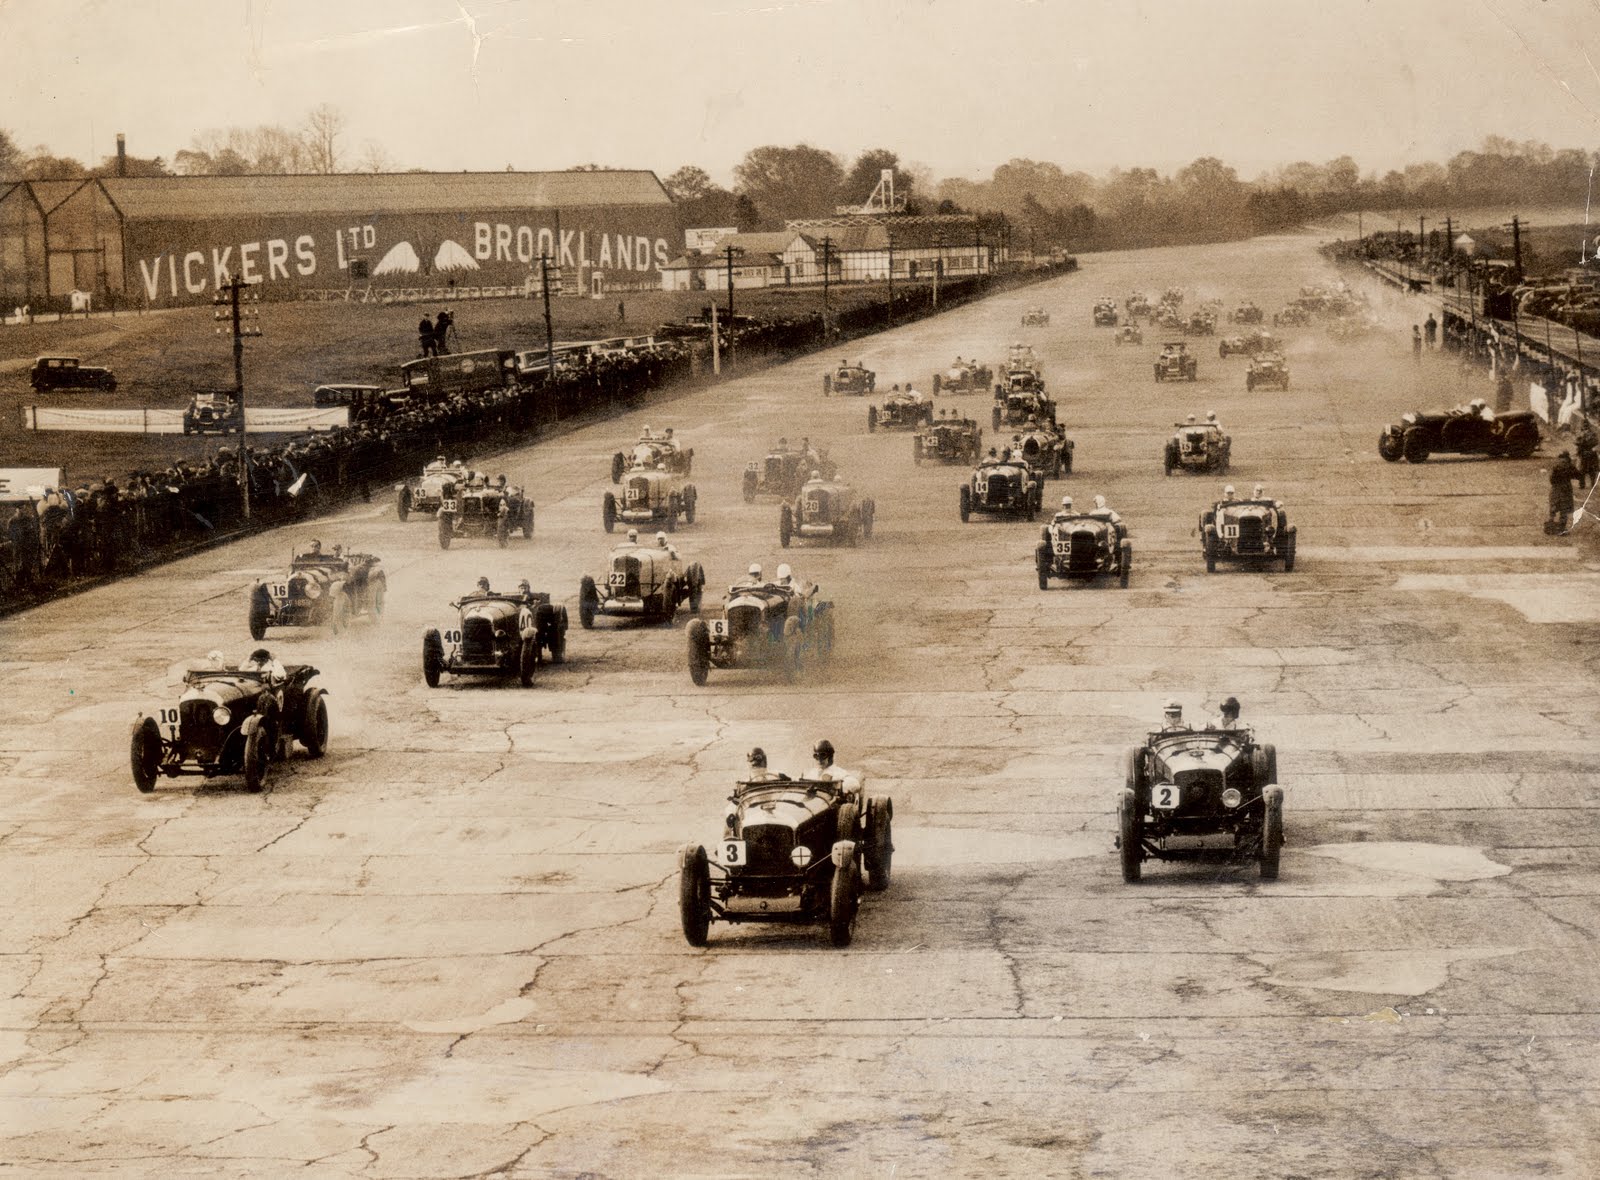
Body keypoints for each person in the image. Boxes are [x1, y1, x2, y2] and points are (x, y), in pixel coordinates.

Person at [1550, 451, 1580, 531]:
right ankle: (1562, 526)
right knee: (1564, 507)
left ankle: (1551, 523)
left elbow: (1552, 480)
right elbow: (1578, 476)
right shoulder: (1570, 466)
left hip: (1556, 488)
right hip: (1566, 488)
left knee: (1554, 505)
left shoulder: (1556, 466)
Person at [1576, 421, 1599, 489]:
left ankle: (1592, 484)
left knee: (1591, 470)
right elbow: (1576, 442)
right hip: (1584, 454)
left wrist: (1584, 441)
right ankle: (1582, 485)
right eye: (1584, 427)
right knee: (1582, 470)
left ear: (1588, 427)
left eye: (1586, 427)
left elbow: (1595, 442)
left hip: (1590, 454)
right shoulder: (1581, 434)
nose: (1585, 429)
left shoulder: (1592, 434)